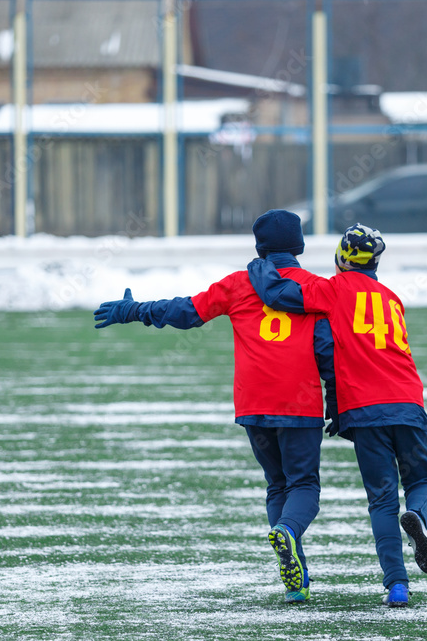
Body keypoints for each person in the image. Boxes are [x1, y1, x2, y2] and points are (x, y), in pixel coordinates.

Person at [93, 210, 336, 603]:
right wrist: (340, 398)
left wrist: (134, 310)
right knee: (304, 484)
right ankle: (289, 534)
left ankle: (296, 580)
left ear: (259, 247)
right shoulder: (315, 288)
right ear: (300, 245)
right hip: (300, 403)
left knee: (277, 485)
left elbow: (187, 312)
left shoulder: (239, 284)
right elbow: (329, 349)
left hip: (254, 403)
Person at [247, 223, 427, 608]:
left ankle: (397, 585)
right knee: (424, 478)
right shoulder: (392, 298)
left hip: (364, 409)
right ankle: (418, 515)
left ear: (341, 257)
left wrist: (260, 266)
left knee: (381, 501)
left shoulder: (331, 291)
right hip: (407, 402)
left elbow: (280, 294)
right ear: (376, 262)